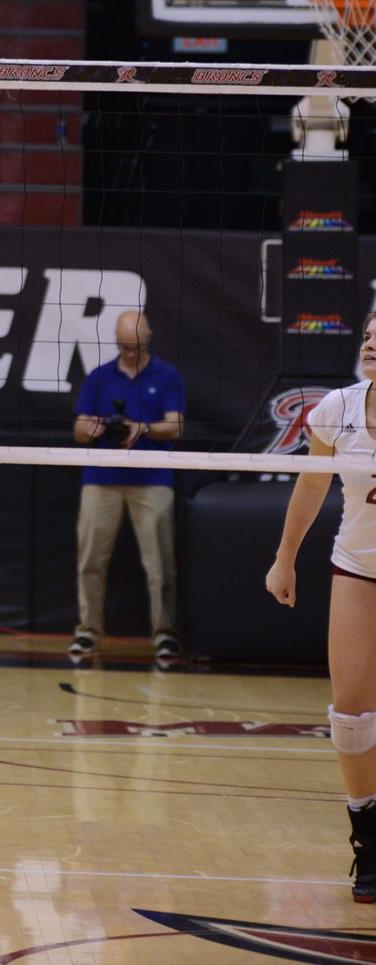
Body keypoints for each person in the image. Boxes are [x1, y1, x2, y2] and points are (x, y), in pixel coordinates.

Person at [267, 314, 376, 904]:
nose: (371, 346)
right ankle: (369, 838)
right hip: (357, 568)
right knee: (351, 716)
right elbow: (310, 485)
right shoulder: (338, 409)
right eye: (367, 338)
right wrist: (285, 558)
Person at [69, 309, 186, 667]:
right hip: (102, 479)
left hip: (152, 479)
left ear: (149, 338)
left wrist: (143, 429)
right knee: (90, 558)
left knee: (160, 564)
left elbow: (176, 426)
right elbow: (79, 428)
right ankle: (88, 630)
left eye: (136, 346)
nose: (131, 353)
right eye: (124, 346)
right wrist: (95, 428)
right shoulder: (100, 377)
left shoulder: (167, 376)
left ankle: (165, 635)